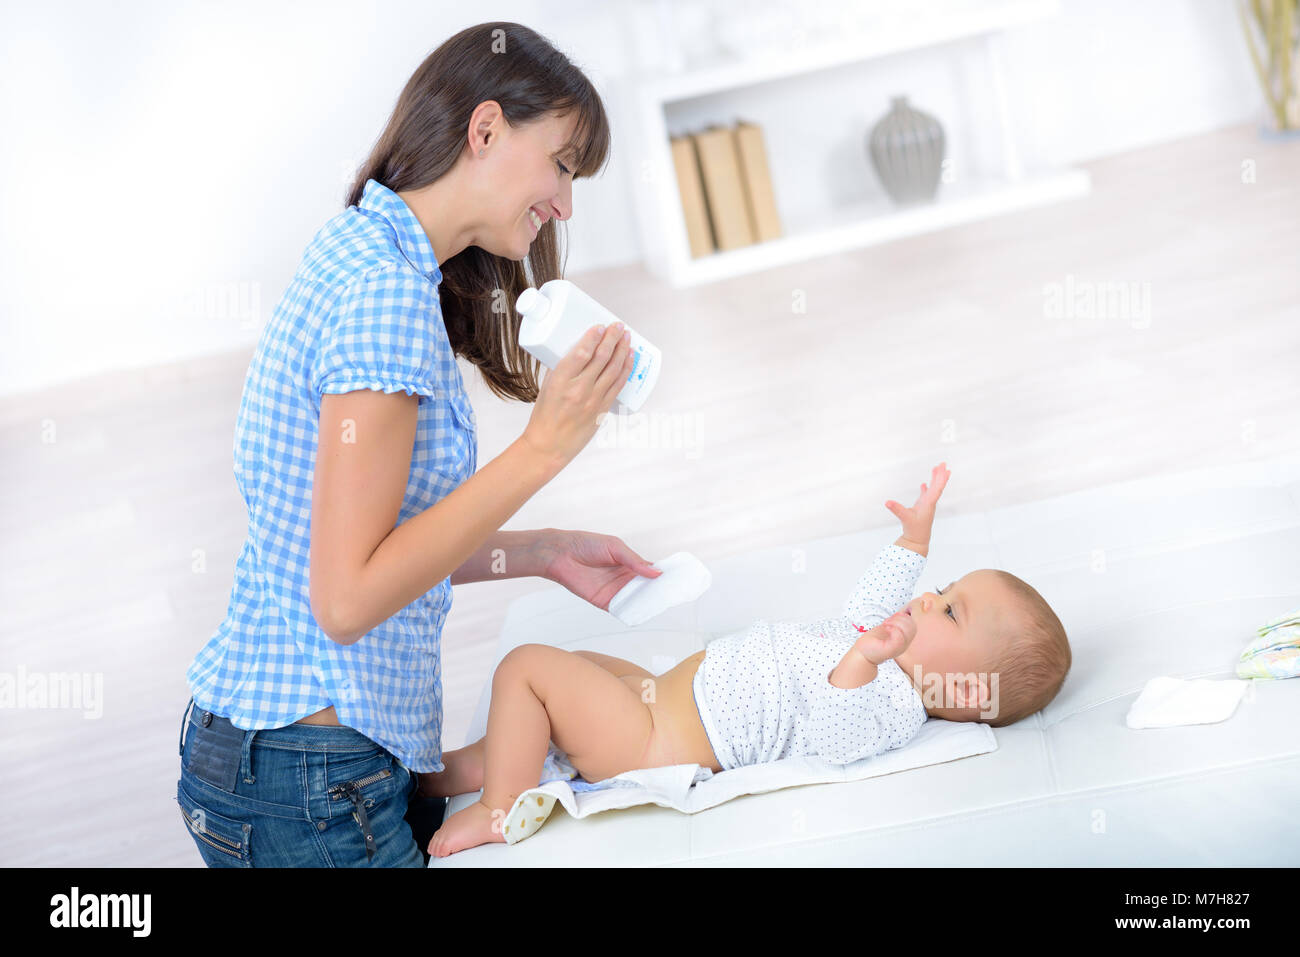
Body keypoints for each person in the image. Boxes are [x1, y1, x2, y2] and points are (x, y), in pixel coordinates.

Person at [176, 21, 659, 867]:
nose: (565, 203)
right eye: (561, 163)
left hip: (272, 755)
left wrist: (540, 552)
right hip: (309, 777)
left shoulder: (362, 246)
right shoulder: (385, 299)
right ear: (484, 129)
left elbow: (361, 544)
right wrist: (542, 449)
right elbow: (349, 599)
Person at [424, 464, 1072, 858]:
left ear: (962, 689)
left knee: (527, 667)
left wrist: (862, 662)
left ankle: (500, 804)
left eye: (951, 612)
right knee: (578, 664)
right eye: (946, 587)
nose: (929, 599)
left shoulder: (893, 701)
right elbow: (871, 603)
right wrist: (913, 540)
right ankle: (474, 764)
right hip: (657, 700)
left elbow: (835, 737)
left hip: (654, 740)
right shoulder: (893, 648)